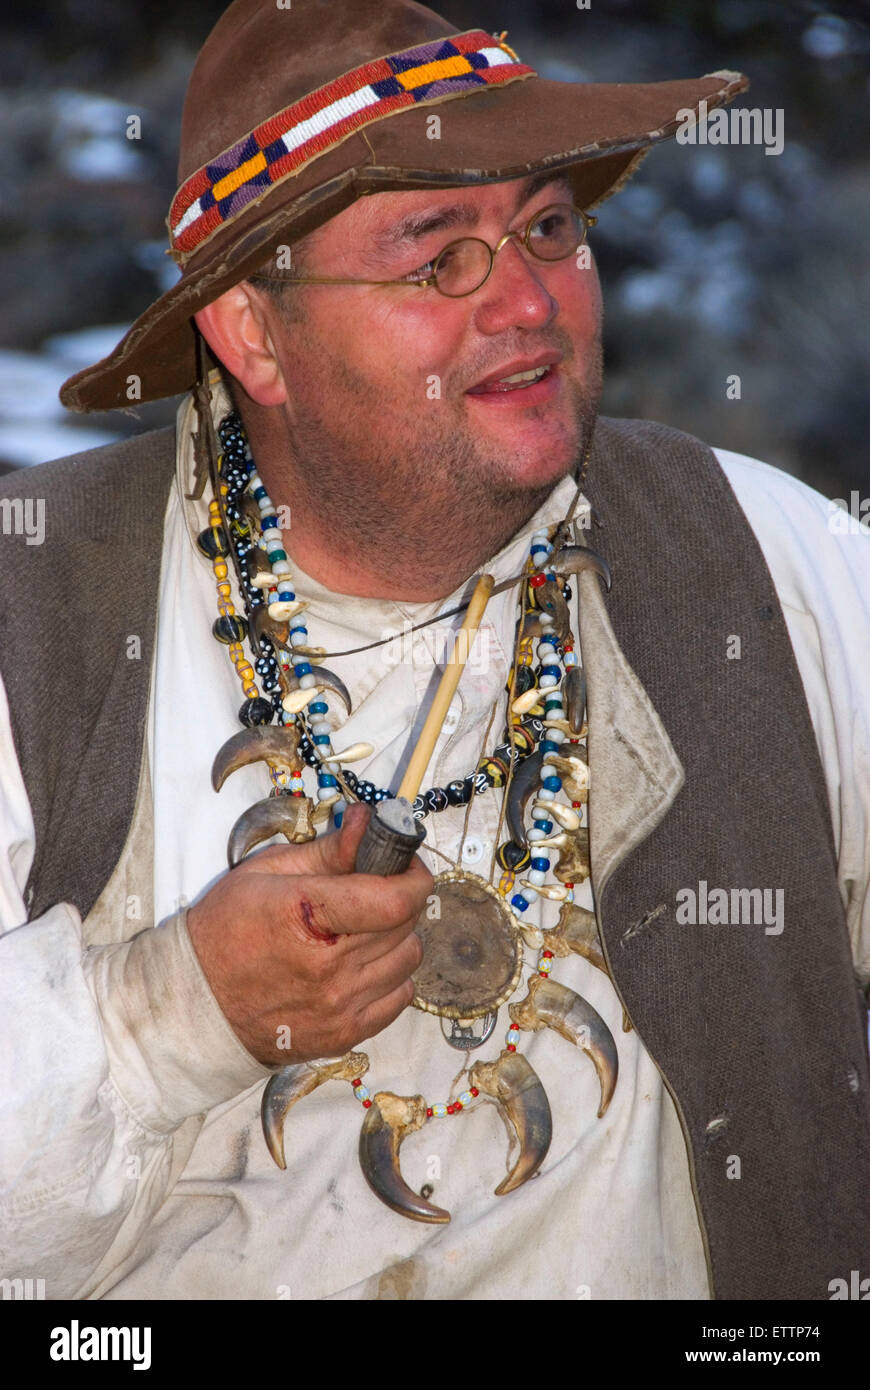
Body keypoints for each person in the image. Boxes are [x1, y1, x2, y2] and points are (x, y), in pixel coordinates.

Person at [1, 0, 868, 1303]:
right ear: (252, 334)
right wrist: (174, 1014)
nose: (525, 301)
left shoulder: (764, 561)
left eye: (547, 228)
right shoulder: (36, 616)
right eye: (433, 255)